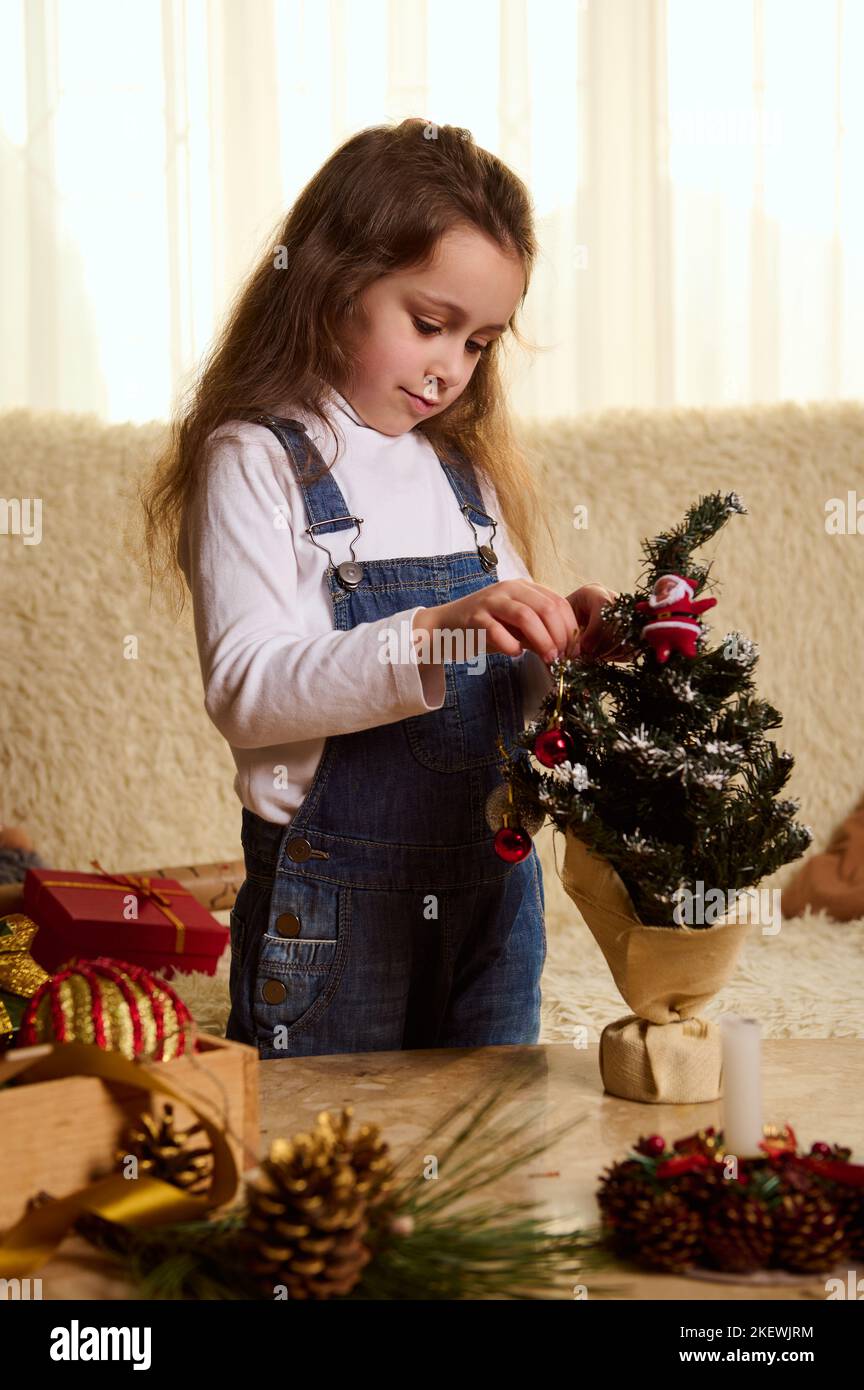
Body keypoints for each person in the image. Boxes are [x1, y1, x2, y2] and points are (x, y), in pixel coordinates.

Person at [140, 118, 626, 1059]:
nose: (451, 369)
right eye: (430, 325)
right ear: (330, 283)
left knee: (491, 1161)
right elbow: (248, 692)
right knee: (332, 1163)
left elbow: (507, 684)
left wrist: (566, 648)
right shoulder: (257, 458)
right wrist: (436, 627)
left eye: (481, 342)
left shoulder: (462, 473)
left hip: (490, 894)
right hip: (332, 907)